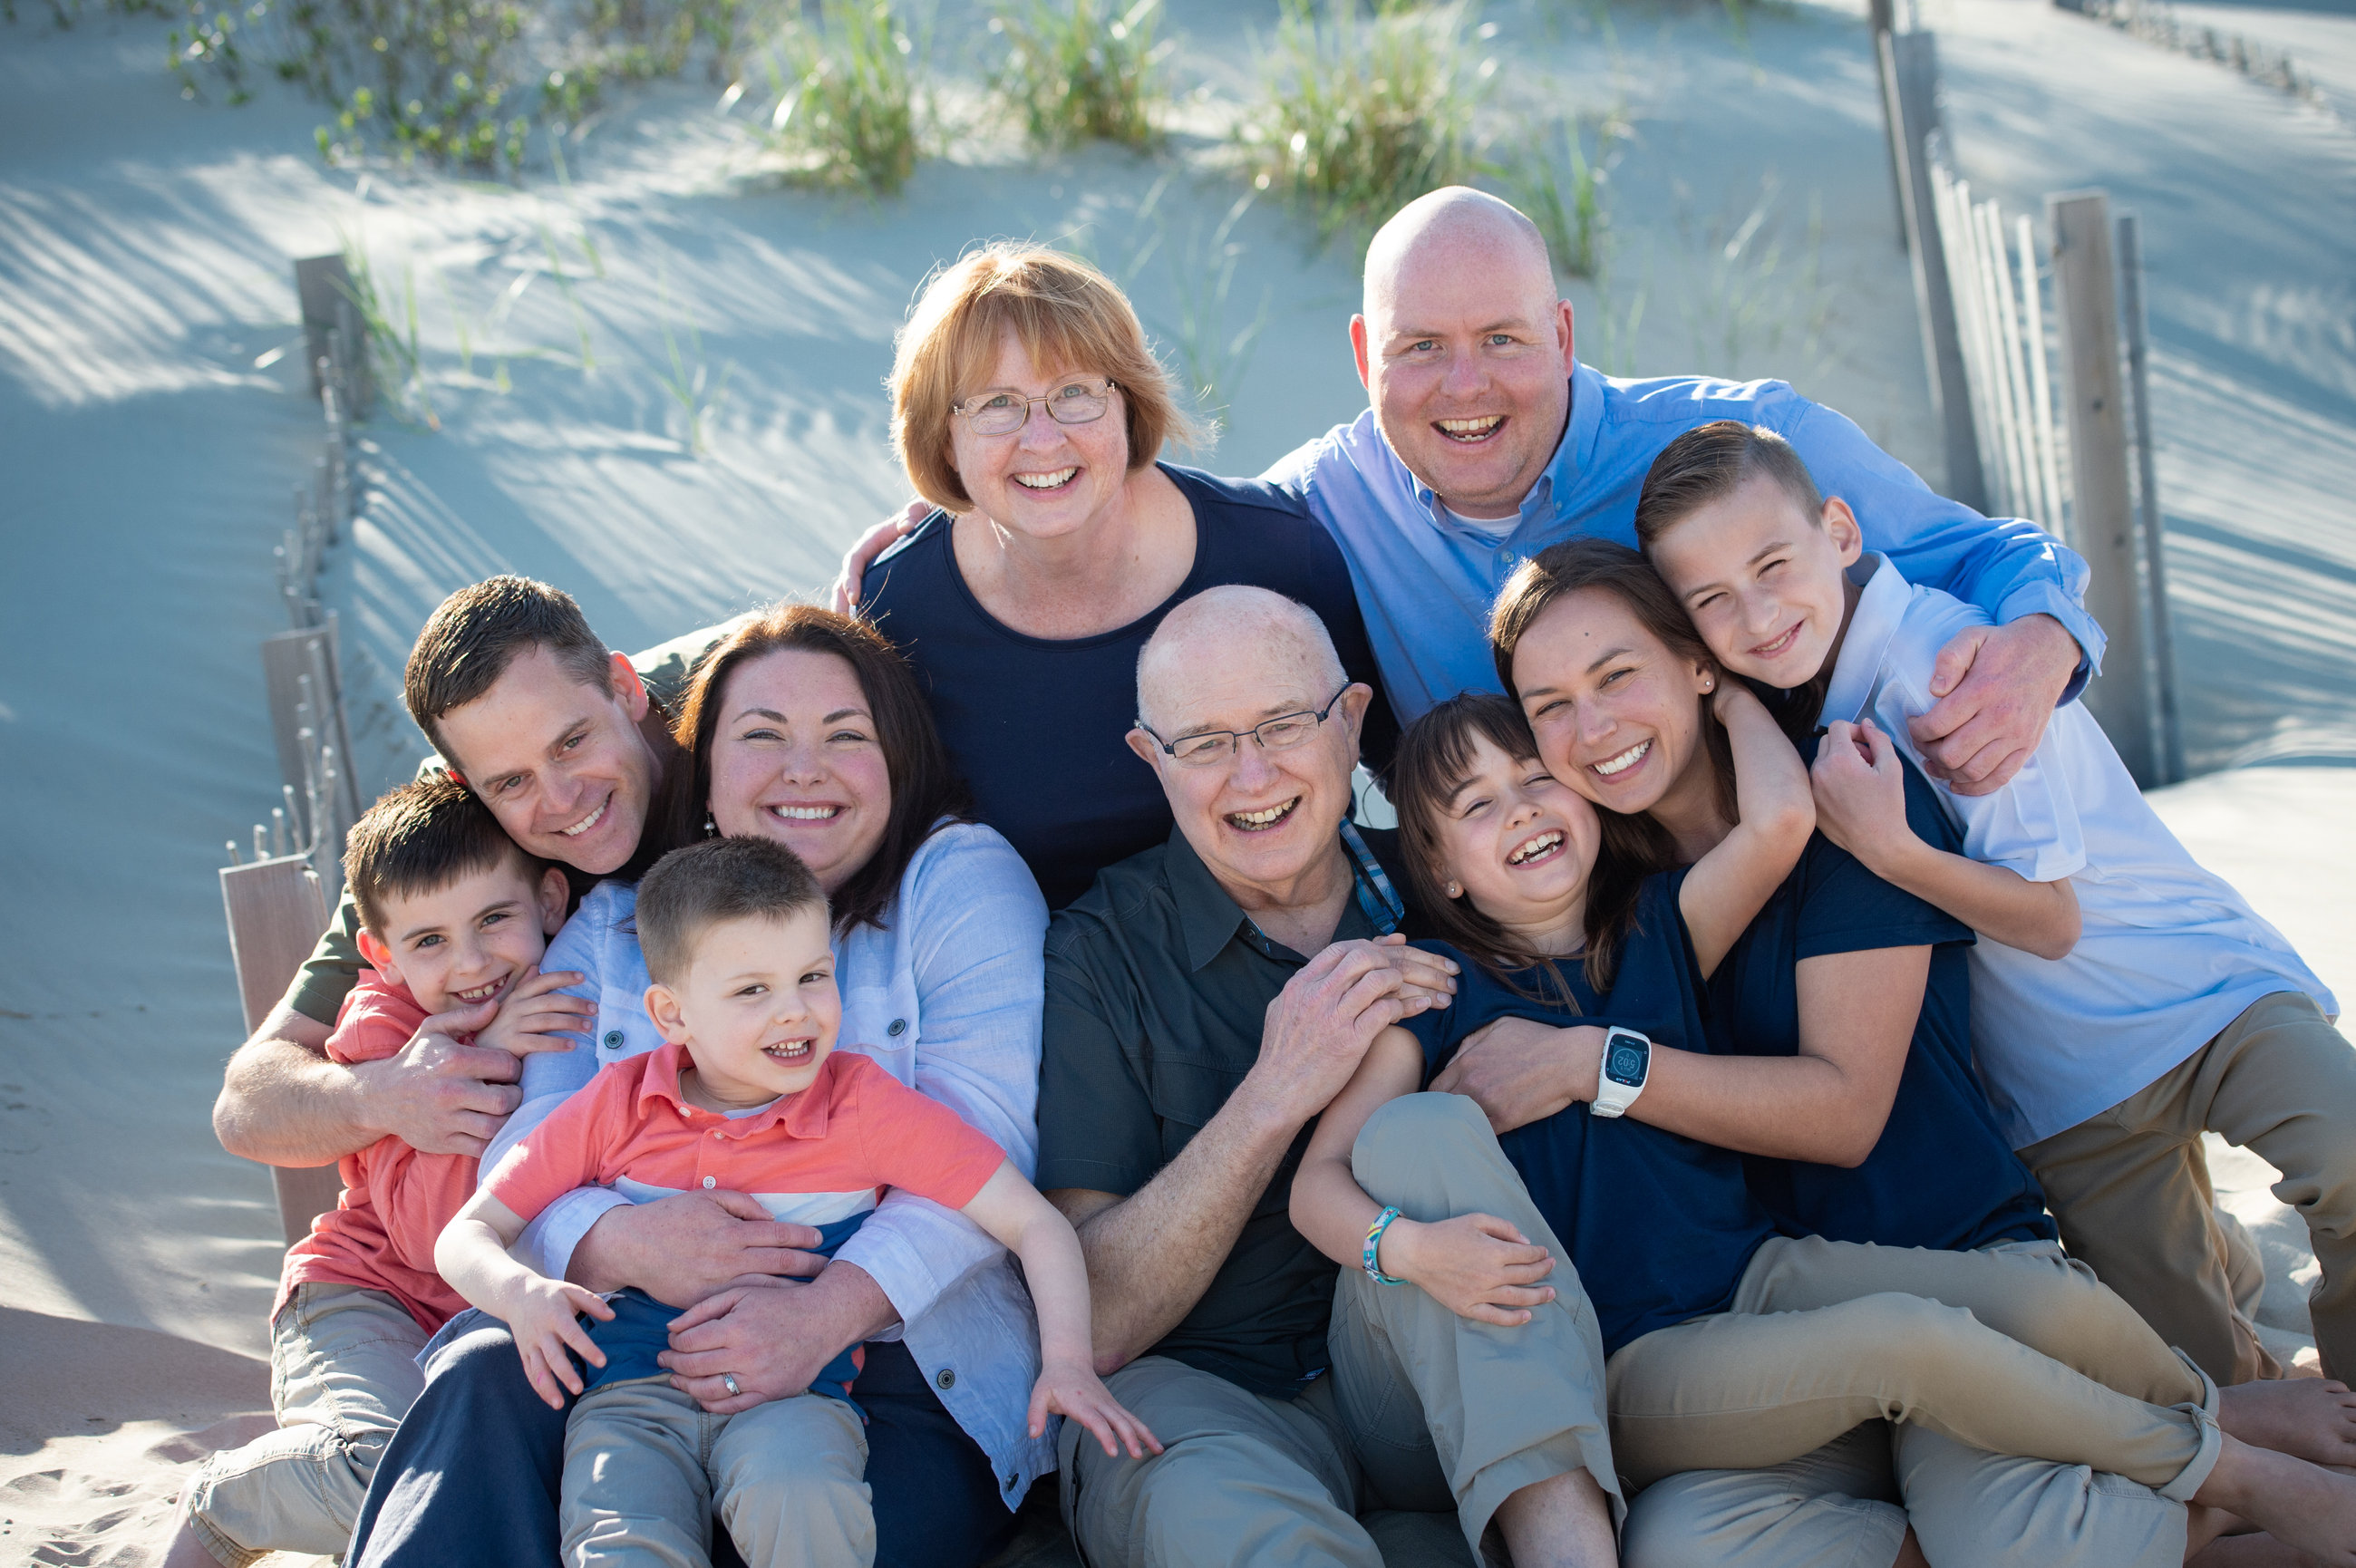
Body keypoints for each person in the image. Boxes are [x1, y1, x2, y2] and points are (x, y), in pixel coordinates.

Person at [1289, 690, 2356, 1568]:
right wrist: (1411, 1248)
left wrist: (1715, 681)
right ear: (1440, 871)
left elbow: (1780, 821)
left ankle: (2217, 1410)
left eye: (1535, 777)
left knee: (2028, 1293)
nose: (1520, 808)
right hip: (1630, 1353)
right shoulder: (1430, 997)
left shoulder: (1657, 927)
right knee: (1913, 1342)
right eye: (1476, 805)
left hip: (1756, 1272)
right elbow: (1320, 1183)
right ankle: (2227, 1470)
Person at [836, 189, 2099, 800]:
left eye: (1499, 337)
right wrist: (958, 522)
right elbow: (1143, 519)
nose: (1462, 387)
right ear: (1358, 358)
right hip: (1544, 919)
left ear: (1559, 328)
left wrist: (2043, 645)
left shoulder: (1740, 435)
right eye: (1417, 349)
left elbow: (1980, 552)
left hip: (1804, 855)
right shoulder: (1316, 513)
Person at [1634, 419, 2354, 1387]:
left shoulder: (1944, 663)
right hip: (2062, 1090)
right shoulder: (1801, 705)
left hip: (2197, 988)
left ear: (1840, 532)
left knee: (2346, 1156)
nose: (1757, 614)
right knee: (2199, 1375)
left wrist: (1888, 847)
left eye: (1772, 564)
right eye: (1712, 600)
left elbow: (2051, 920)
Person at [348, 604, 1058, 1568]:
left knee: (799, 1511)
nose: (801, 770)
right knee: (484, 1374)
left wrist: (821, 1311)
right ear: (706, 772)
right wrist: (612, 1239)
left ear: (895, 757)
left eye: (845, 738)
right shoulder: (612, 924)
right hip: (634, 1339)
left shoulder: (953, 883)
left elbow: (982, 1150)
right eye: (760, 738)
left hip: (893, 1353)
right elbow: (540, 1137)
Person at [1036, 585, 1620, 1568]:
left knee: (1424, 1143)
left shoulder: (1465, 879)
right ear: (1153, 760)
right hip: (1210, 1393)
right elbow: (1096, 1321)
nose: (1251, 773)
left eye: (1280, 724)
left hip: (1433, 1375)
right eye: (1205, 743)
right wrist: (1276, 1090)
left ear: (1351, 722)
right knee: (1210, 1509)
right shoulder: (1098, 949)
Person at [436, 836, 1157, 1568]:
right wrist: (522, 1294)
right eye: (752, 990)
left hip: (792, 1399)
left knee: (805, 1497)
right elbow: (468, 1235)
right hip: (631, 1402)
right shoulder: (614, 1106)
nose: (795, 1013)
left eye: (813, 976)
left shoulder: (862, 1106)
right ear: (670, 1013)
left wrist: (1067, 1361)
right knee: (619, 1541)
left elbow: (1032, 1222)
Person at [847, 239, 1399, 907]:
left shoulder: (1278, 553)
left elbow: (1396, 769)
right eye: (996, 404)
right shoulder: (898, 607)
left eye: (1075, 393)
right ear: (943, 438)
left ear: (1129, 404)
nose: (1042, 440)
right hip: (1045, 991)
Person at [165, 779, 571, 1568]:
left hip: (486, 1319)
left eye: (494, 919)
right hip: (365, 1293)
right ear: (380, 952)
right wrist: (496, 1058)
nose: (472, 963)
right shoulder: (384, 1026)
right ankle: (230, 1502)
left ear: (549, 904)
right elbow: (426, 1240)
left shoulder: (572, 985)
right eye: (429, 941)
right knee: (388, 1475)